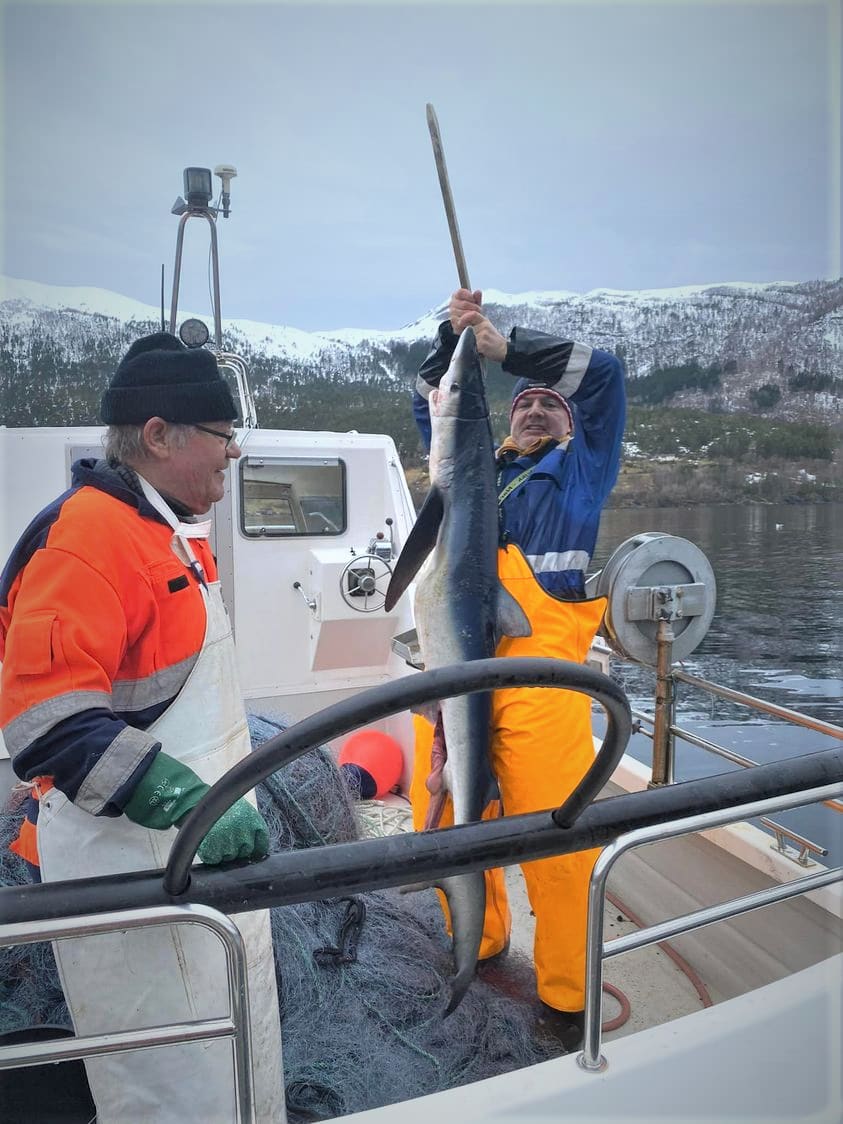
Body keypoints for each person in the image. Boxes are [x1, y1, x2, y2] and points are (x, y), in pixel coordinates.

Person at [0, 333, 284, 1122]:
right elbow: (44, 722)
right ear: (159, 436)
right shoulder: (83, 540)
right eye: (224, 439)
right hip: (132, 867)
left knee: (235, 1056)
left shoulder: (168, 530)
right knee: (172, 1084)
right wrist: (189, 802)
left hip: (196, 867)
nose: (233, 455)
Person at [411, 288, 626, 1051]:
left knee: (560, 844)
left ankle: (565, 997)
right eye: (522, 403)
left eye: (548, 404)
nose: (534, 409)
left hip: (543, 685)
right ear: (500, 420)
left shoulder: (581, 472)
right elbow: (435, 397)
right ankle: (478, 943)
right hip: (453, 671)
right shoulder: (468, 468)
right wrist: (452, 334)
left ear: (572, 423)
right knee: (440, 819)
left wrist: (508, 352)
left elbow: (603, 376)